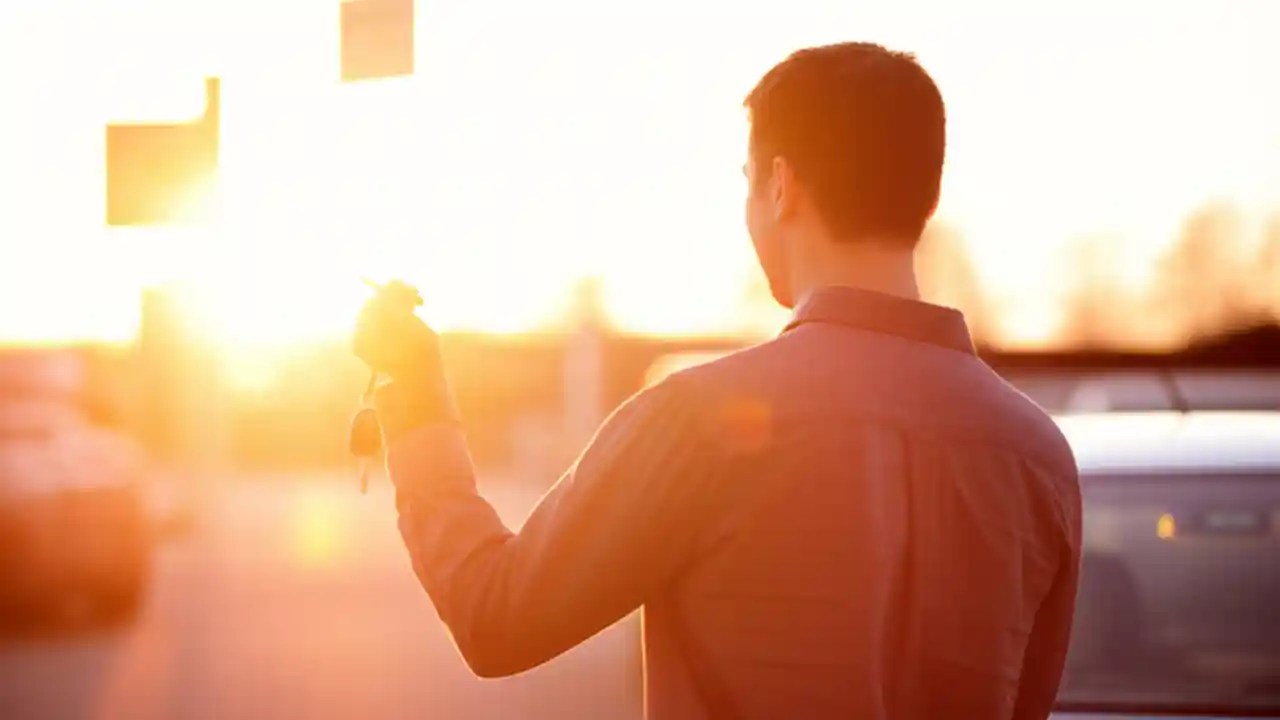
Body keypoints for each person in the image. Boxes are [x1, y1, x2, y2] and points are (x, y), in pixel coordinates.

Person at [354, 41, 1082, 719]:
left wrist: (416, 398)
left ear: (779, 186)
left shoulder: (696, 420)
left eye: (747, 182)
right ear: (923, 192)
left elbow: (497, 620)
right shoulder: (1039, 457)